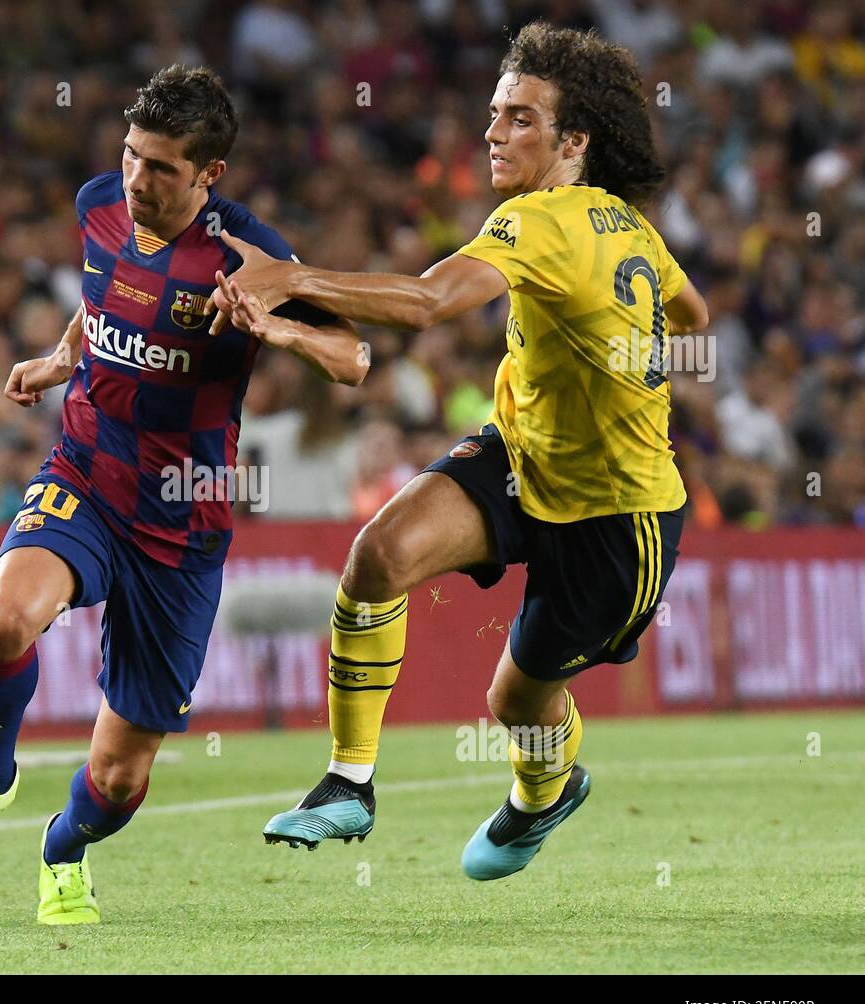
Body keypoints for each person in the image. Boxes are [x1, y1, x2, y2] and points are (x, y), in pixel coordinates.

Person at [211, 22, 709, 879]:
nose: (493, 132)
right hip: (523, 455)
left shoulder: (545, 224)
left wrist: (292, 278)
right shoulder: (628, 227)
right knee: (379, 555)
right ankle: (347, 783)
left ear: (573, 141)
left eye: (520, 117)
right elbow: (692, 313)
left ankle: (541, 795)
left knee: (516, 701)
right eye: (494, 114)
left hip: (619, 514)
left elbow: (429, 300)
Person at [0, 65, 363, 922]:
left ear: (208, 175)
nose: (136, 181)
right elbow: (103, 298)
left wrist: (280, 326)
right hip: (84, 469)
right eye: (130, 157)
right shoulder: (96, 206)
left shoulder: (252, 256)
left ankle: (63, 848)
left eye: (160, 169)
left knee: (119, 779)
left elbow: (355, 361)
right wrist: (59, 359)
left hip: (182, 519)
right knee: (4, 620)